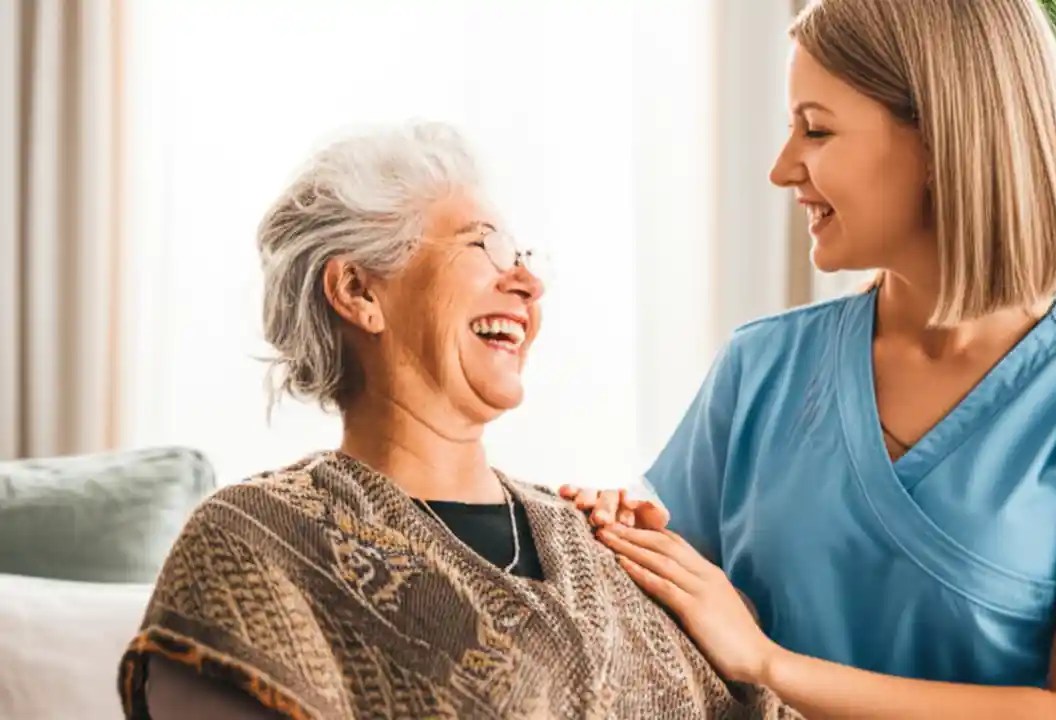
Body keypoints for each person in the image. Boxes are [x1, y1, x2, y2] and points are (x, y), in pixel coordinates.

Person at [567, 1, 1056, 718]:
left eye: (816, 129)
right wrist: (611, 541)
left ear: (943, 143)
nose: (781, 167)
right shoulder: (759, 368)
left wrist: (770, 664)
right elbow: (669, 634)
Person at [117, 122, 797, 720]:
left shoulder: (601, 543)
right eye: (484, 249)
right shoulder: (253, 541)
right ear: (358, 291)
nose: (528, 284)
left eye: (526, 260)